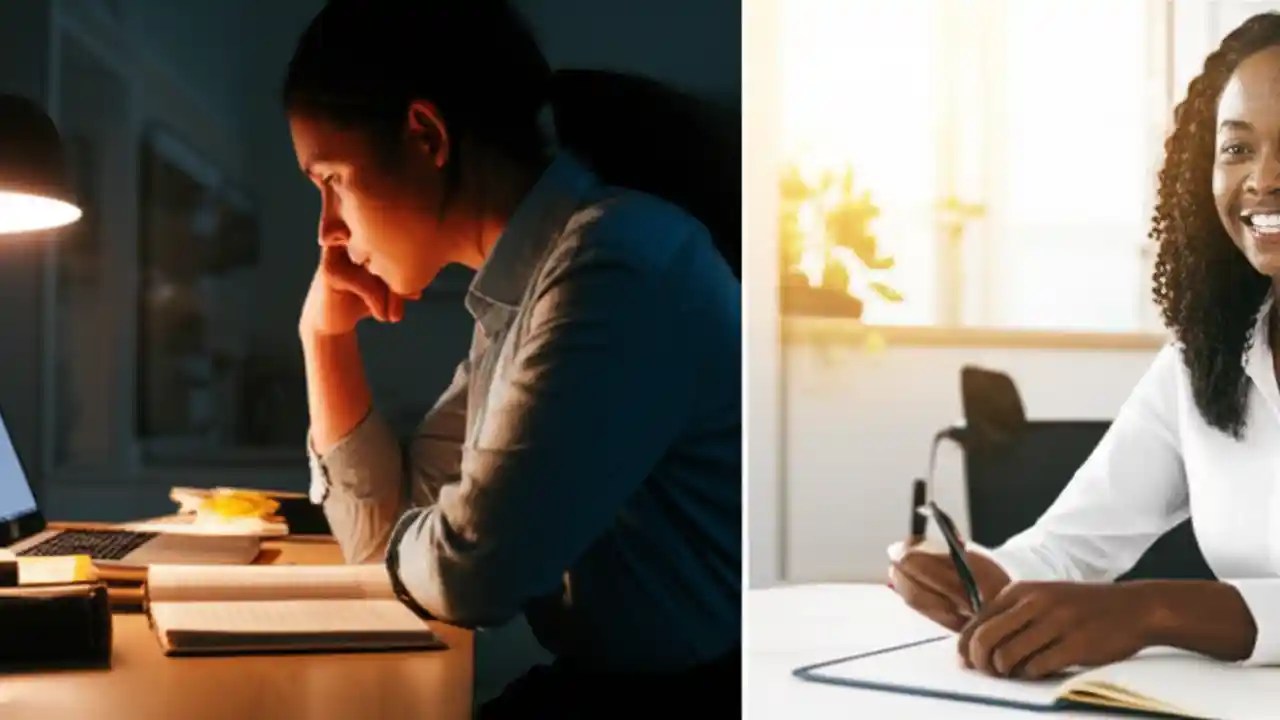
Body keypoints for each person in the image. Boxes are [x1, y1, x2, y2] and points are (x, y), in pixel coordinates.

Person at [282, 0, 741, 715]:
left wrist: (438, 537)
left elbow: (471, 574)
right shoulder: (524, 291)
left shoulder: (612, 267)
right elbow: (389, 544)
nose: (327, 231)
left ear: (426, 136)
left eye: (332, 180)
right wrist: (325, 338)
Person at [889, 11, 1280, 681]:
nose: (1263, 178)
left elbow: (1151, 610)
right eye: (1237, 147)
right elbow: (1069, 547)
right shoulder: (1202, 363)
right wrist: (981, 577)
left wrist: (1155, 610)